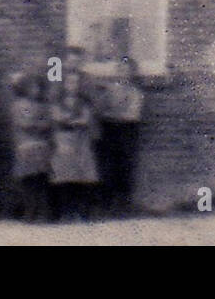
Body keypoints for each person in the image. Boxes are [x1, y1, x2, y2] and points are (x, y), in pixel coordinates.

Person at [86, 48, 145, 216]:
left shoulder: (136, 93)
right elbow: (99, 110)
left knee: (124, 167)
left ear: (132, 73)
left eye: (127, 71)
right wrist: (111, 113)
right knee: (106, 167)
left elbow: (132, 114)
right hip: (109, 131)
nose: (123, 74)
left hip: (126, 132)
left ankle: (123, 206)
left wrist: (112, 114)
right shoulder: (109, 90)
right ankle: (105, 205)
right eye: (120, 70)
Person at [50, 83, 99, 222]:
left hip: (80, 140)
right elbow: (57, 118)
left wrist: (70, 120)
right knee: (64, 175)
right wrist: (72, 120)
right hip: (63, 140)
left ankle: (81, 212)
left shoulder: (84, 103)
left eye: (75, 83)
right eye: (69, 83)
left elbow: (85, 119)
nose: (72, 86)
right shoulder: (58, 102)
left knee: (81, 175)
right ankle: (66, 212)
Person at [8, 71, 52, 223]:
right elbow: (23, 124)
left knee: (41, 178)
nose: (35, 91)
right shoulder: (18, 105)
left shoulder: (43, 106)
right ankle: (30, 212)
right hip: (25, 145)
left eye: (38, 88)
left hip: (40, 146)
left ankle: (43, 212)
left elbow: (47, 123)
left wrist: (37, 125)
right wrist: (36, 125)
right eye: (32, 88)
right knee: (27, 180)